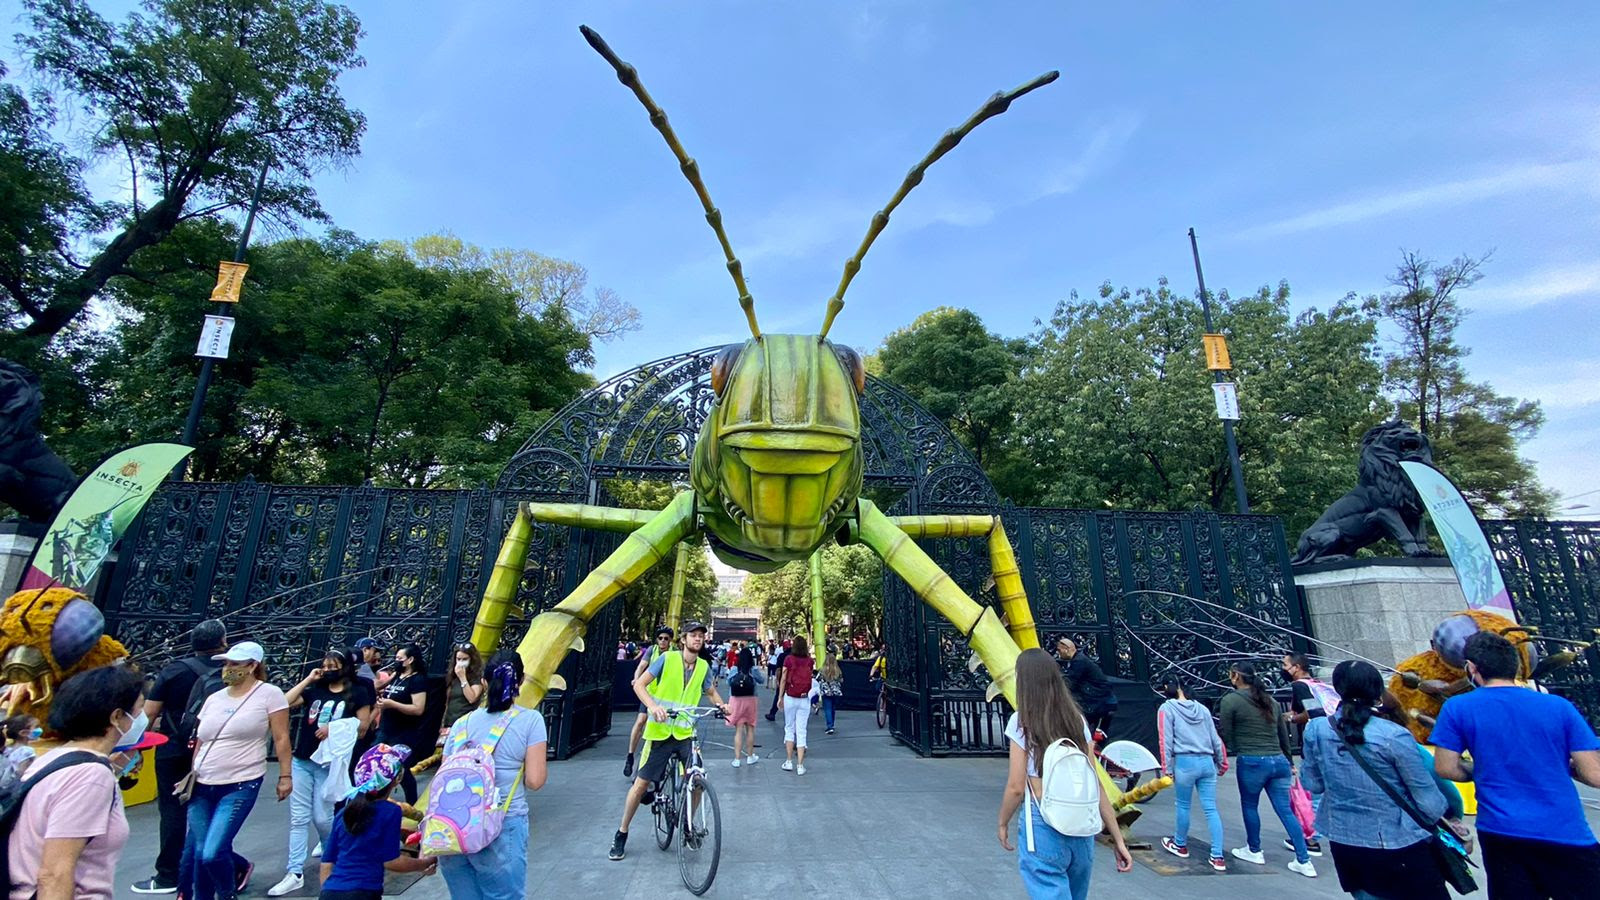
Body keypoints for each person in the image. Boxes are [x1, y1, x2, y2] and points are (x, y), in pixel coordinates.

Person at [1431, 631, 1600, 898]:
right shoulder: (1559, 707)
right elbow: (1594, 775)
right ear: (1515, 666)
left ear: (1472, 668)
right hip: (1565, 830)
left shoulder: (1457, 708)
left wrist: (1482, 771)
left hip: (1501, 832)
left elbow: (1445, 768)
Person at [1302, 660, 1449, 900]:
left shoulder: (1316, 729)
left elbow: (1313, 784)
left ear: (1338, 688)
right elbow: (1427, 799)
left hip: (1344, 839)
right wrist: (1450, 823)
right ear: (1378, 691)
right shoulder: (1394, 735)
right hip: (1399, 841)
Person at [997, 647, 1132, 899]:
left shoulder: (1021, 721)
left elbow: (1016, 786)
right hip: (1081, 824)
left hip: (1043, 821)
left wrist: (1003, 822)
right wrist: (1117, 838)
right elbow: (1096, 781)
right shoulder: (1077, 719)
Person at [5, 665, 143, 900]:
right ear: (117, 716)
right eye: (138, 710)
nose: (143, 718)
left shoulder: (52, 759)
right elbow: (54, 874)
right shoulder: (91, 776)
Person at [181, 640, 293, 900]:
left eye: (235, 664)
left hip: (240, 782)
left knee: (212, 851)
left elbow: (281, 738)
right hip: (202, 782)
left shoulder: (269, 694)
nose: (228, 668)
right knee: (199, 852)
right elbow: (201, 739)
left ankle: (226, 892)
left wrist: (285, 776)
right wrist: (193, 771)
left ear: (253, 666)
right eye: (226, 663)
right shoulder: (214, 698)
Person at [609, 621, 728, 862]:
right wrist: (653, 706)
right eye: (693, 636)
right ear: (683, 639)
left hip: (685, 733)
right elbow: (639, 684)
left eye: (701, 636)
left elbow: (710, 692)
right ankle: (621, 833)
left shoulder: (704, 666)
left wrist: (721, 704)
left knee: (698, 779)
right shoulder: (667, 659)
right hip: (661, 733)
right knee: (641, 785)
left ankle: (687, 823)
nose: (697, 639)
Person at [437, 650, 550, 899]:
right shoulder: (531, 721)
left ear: (485, 682)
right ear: (520, 681)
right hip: (501, 822)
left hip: (455, 827)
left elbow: (444, 775)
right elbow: (535, 780)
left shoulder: (461, 724)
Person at [131, 618, 228, 895]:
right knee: (213, 810)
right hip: (212, 749)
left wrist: (137, 751)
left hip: (173, 748)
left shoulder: (175, 670)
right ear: (222, 642)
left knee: (173, 812)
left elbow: (148, 714)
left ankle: (167, 875)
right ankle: (219, 867)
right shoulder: (231, 669)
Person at [267, 648, 376, 897]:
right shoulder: (315, 690)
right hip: (303, 759)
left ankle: (332, 857)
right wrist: (308, 679)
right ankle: (294, 871)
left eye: (333, 665)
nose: (328, 670)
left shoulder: (357, 692)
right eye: (325, 665)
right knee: (298, 818)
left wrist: (334, 728)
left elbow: (363, 726)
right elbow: (283, 704)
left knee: (322, 817)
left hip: (330, 763)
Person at [1218, 662, 1316, 877]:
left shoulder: (1231, 700)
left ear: (1236, 676)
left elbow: (1225, 730)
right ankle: (1304, 859)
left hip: (1252, 759)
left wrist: (1236, 748)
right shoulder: (1270, 701)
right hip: (1278, 760)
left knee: (1250, 805)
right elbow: (1282, 733)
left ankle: (1254, 849)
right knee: (1286, 810)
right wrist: (1289, 762)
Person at [319, 743, 438, 900]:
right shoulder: (390, 811)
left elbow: (327, 862)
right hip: (364, 892)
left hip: (330, 891)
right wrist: (424, 863)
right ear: (398, 778)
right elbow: (391, 861)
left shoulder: (344, 812)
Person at [1155, 674, 1228, 871]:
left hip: (1185, 762)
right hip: (1206, 762)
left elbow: (1165, 741)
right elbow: (1215, 737)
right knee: (1211, 808)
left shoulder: (1166, 709)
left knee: (1183, 805)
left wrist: (1167, 770)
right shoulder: (1202, 709)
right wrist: (1222, 762)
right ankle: (1218, 856)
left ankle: (1180, 844)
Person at [1281, 651, 1329, 855]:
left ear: (1297, 667)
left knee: (1312, 791)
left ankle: (1311, 838)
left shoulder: (1300, 686)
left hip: (1313, 743)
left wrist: (1292, 719)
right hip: (1326, 741)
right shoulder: (1316, 683)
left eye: (1285, 664)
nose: (1283, 668)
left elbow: (1313, 712)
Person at [374, 642, 428, 805]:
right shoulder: (398, 676)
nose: (396, 660)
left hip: (404, 732)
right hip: (386, 728)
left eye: (400, 658)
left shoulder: (417, 680)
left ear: (410, 659)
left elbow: (418, 708)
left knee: (400, 767)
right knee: (375, 759)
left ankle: (412, 802)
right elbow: (378, 686)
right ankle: (373, 797)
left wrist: (392, 704)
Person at [623, 626, 675, 779]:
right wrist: (636, 678)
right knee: (640, 721)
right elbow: (641, 666)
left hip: (666, 696)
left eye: (666, 638)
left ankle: (659, 763)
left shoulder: (675, 652)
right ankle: (630, 756)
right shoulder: (652, 650)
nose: (663, 641)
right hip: (649, 695)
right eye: (660, 638)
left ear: (670, 640)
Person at [1055, 638, 1116, 738]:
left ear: (1067, 649)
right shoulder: (1078, 660)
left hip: (1097, 702)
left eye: (1059, 650)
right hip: (1099, 701)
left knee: (1085, 729)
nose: (1058, 653)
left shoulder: (1079, 662)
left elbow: (1071, 682)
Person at [778, 635, 816, 774]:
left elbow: (783, 679)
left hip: (790, 696)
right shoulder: (810, 661)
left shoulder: (789, 659)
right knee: (801, 730)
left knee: (789, 728)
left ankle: (788, 761)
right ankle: (800, 765)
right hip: (804, 698)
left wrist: (780, 697)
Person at [723, 646, 765, 766]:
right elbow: (761, 680)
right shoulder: (753, 669)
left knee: (738, 730)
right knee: (750, 729)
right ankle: (750, 756)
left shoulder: (735, 668)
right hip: (751, 699)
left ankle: (737, 759)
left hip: (736, 700)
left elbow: (729, 682)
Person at [441, 643, 487, 740]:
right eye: (458, 659)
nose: (461, 662)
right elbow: (447, 702)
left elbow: (472, 698)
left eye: (465, 659)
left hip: (466, 724)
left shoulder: (476, 677)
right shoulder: (453, 676)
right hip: (450, 722)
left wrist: (463, 678)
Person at [817, 652, 844, 736]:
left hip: (826, 692)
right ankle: (832, 723)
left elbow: (817, 678)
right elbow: (841, 680)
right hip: (835, 692)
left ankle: (829, 726)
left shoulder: (823, 669)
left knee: (827, 709)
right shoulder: (837, 670)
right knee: (833, 708)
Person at [765, 638, 791, 721]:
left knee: (778, 696)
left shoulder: (782, 656)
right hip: (793, 680)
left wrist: (777, 679)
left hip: (783, 679)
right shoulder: (795, 656)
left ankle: (772, 713)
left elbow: (779, 669)